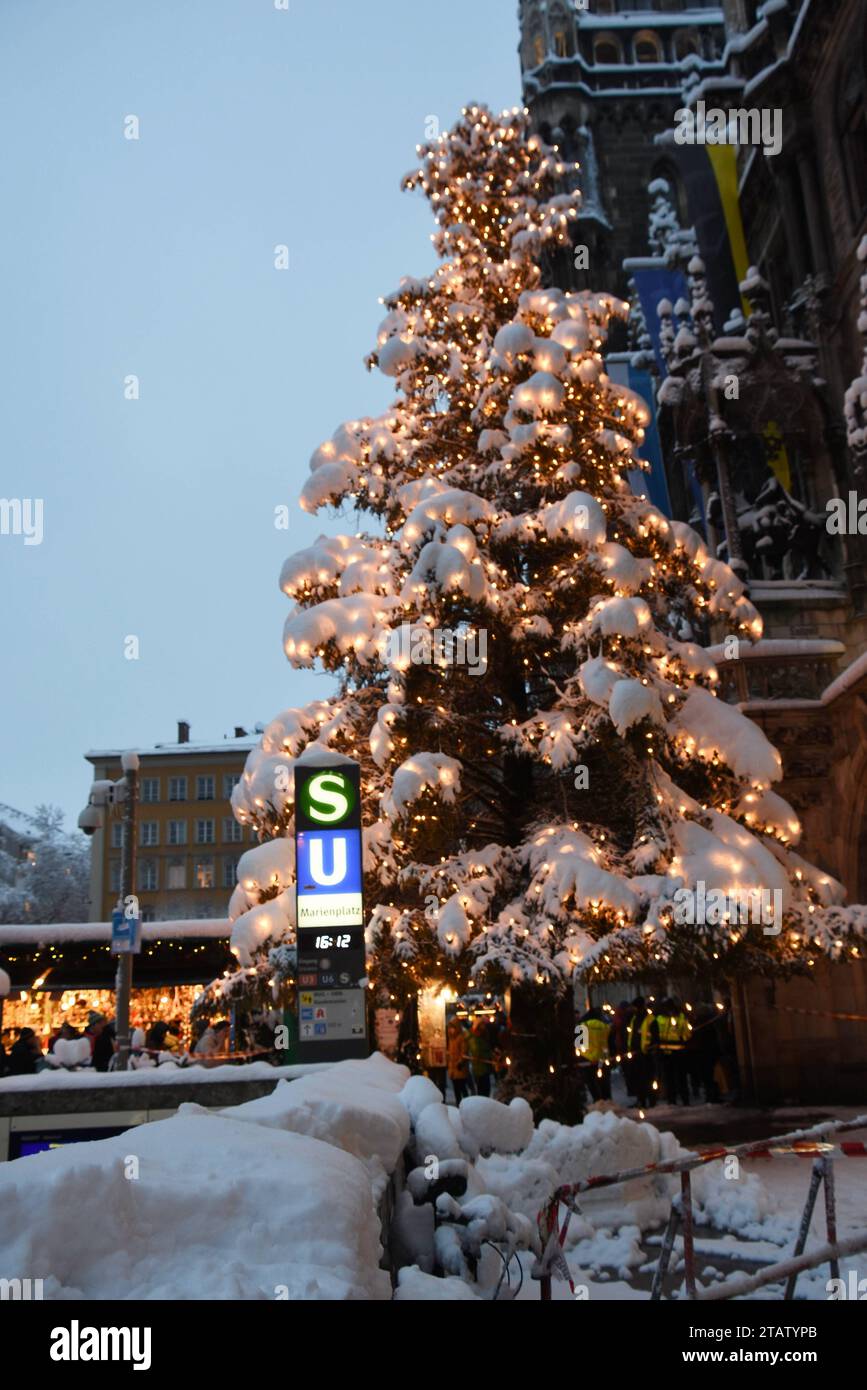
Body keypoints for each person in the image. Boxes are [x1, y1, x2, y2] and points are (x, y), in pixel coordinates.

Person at [656, 997, 691, 1105]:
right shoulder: (659, 1019)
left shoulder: (680, 1018)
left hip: (678, 1052)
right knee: (669, 1078)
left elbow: (686, 1034)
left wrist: (682, 1038)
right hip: (665, 1053)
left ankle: (685, 1099)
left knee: (681, 1077)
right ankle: (672, 1100)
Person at [625, 996, 658, 1109]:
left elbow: (654, 1036)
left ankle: (651, 1100)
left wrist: (651, 1048)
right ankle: (641, 1100)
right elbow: (632, 1034)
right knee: (638, 1078)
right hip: (636, 1053)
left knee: (648, 1078)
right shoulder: (635, 1019)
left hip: (646, 1054)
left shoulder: (650, 1019)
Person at [576, 1006, 611, 1101]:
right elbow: (609, 1042)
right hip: (602, 1058)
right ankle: (606, 1099)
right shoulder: (605, 1026)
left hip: (586, 1058)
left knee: (591, 1081)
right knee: (603, 1080)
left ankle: (597, 1100)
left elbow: (577, 1044)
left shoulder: (582, 1026)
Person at [467, 1016, 494, 1096]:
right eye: (482, 1025)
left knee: (485, 1090)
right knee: (483, 1090)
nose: (484, 1027)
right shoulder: (475, 1039)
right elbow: (477, 1053)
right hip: (480, 1069)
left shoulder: (483, 1037)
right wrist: (488, 1055)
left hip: (484, 1068)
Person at [446, 1018, 470, 1106]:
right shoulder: (451, 1039)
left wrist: (460, 1062)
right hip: (453, 1069)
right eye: (450, 1028)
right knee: (456, 1089)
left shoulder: (461, 1038)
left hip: (459, 1068)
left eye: (453, 1027)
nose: (451, 1030)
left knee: (462, 1088)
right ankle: (458, 1104)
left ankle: (467, 1104)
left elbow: (464, 1053)